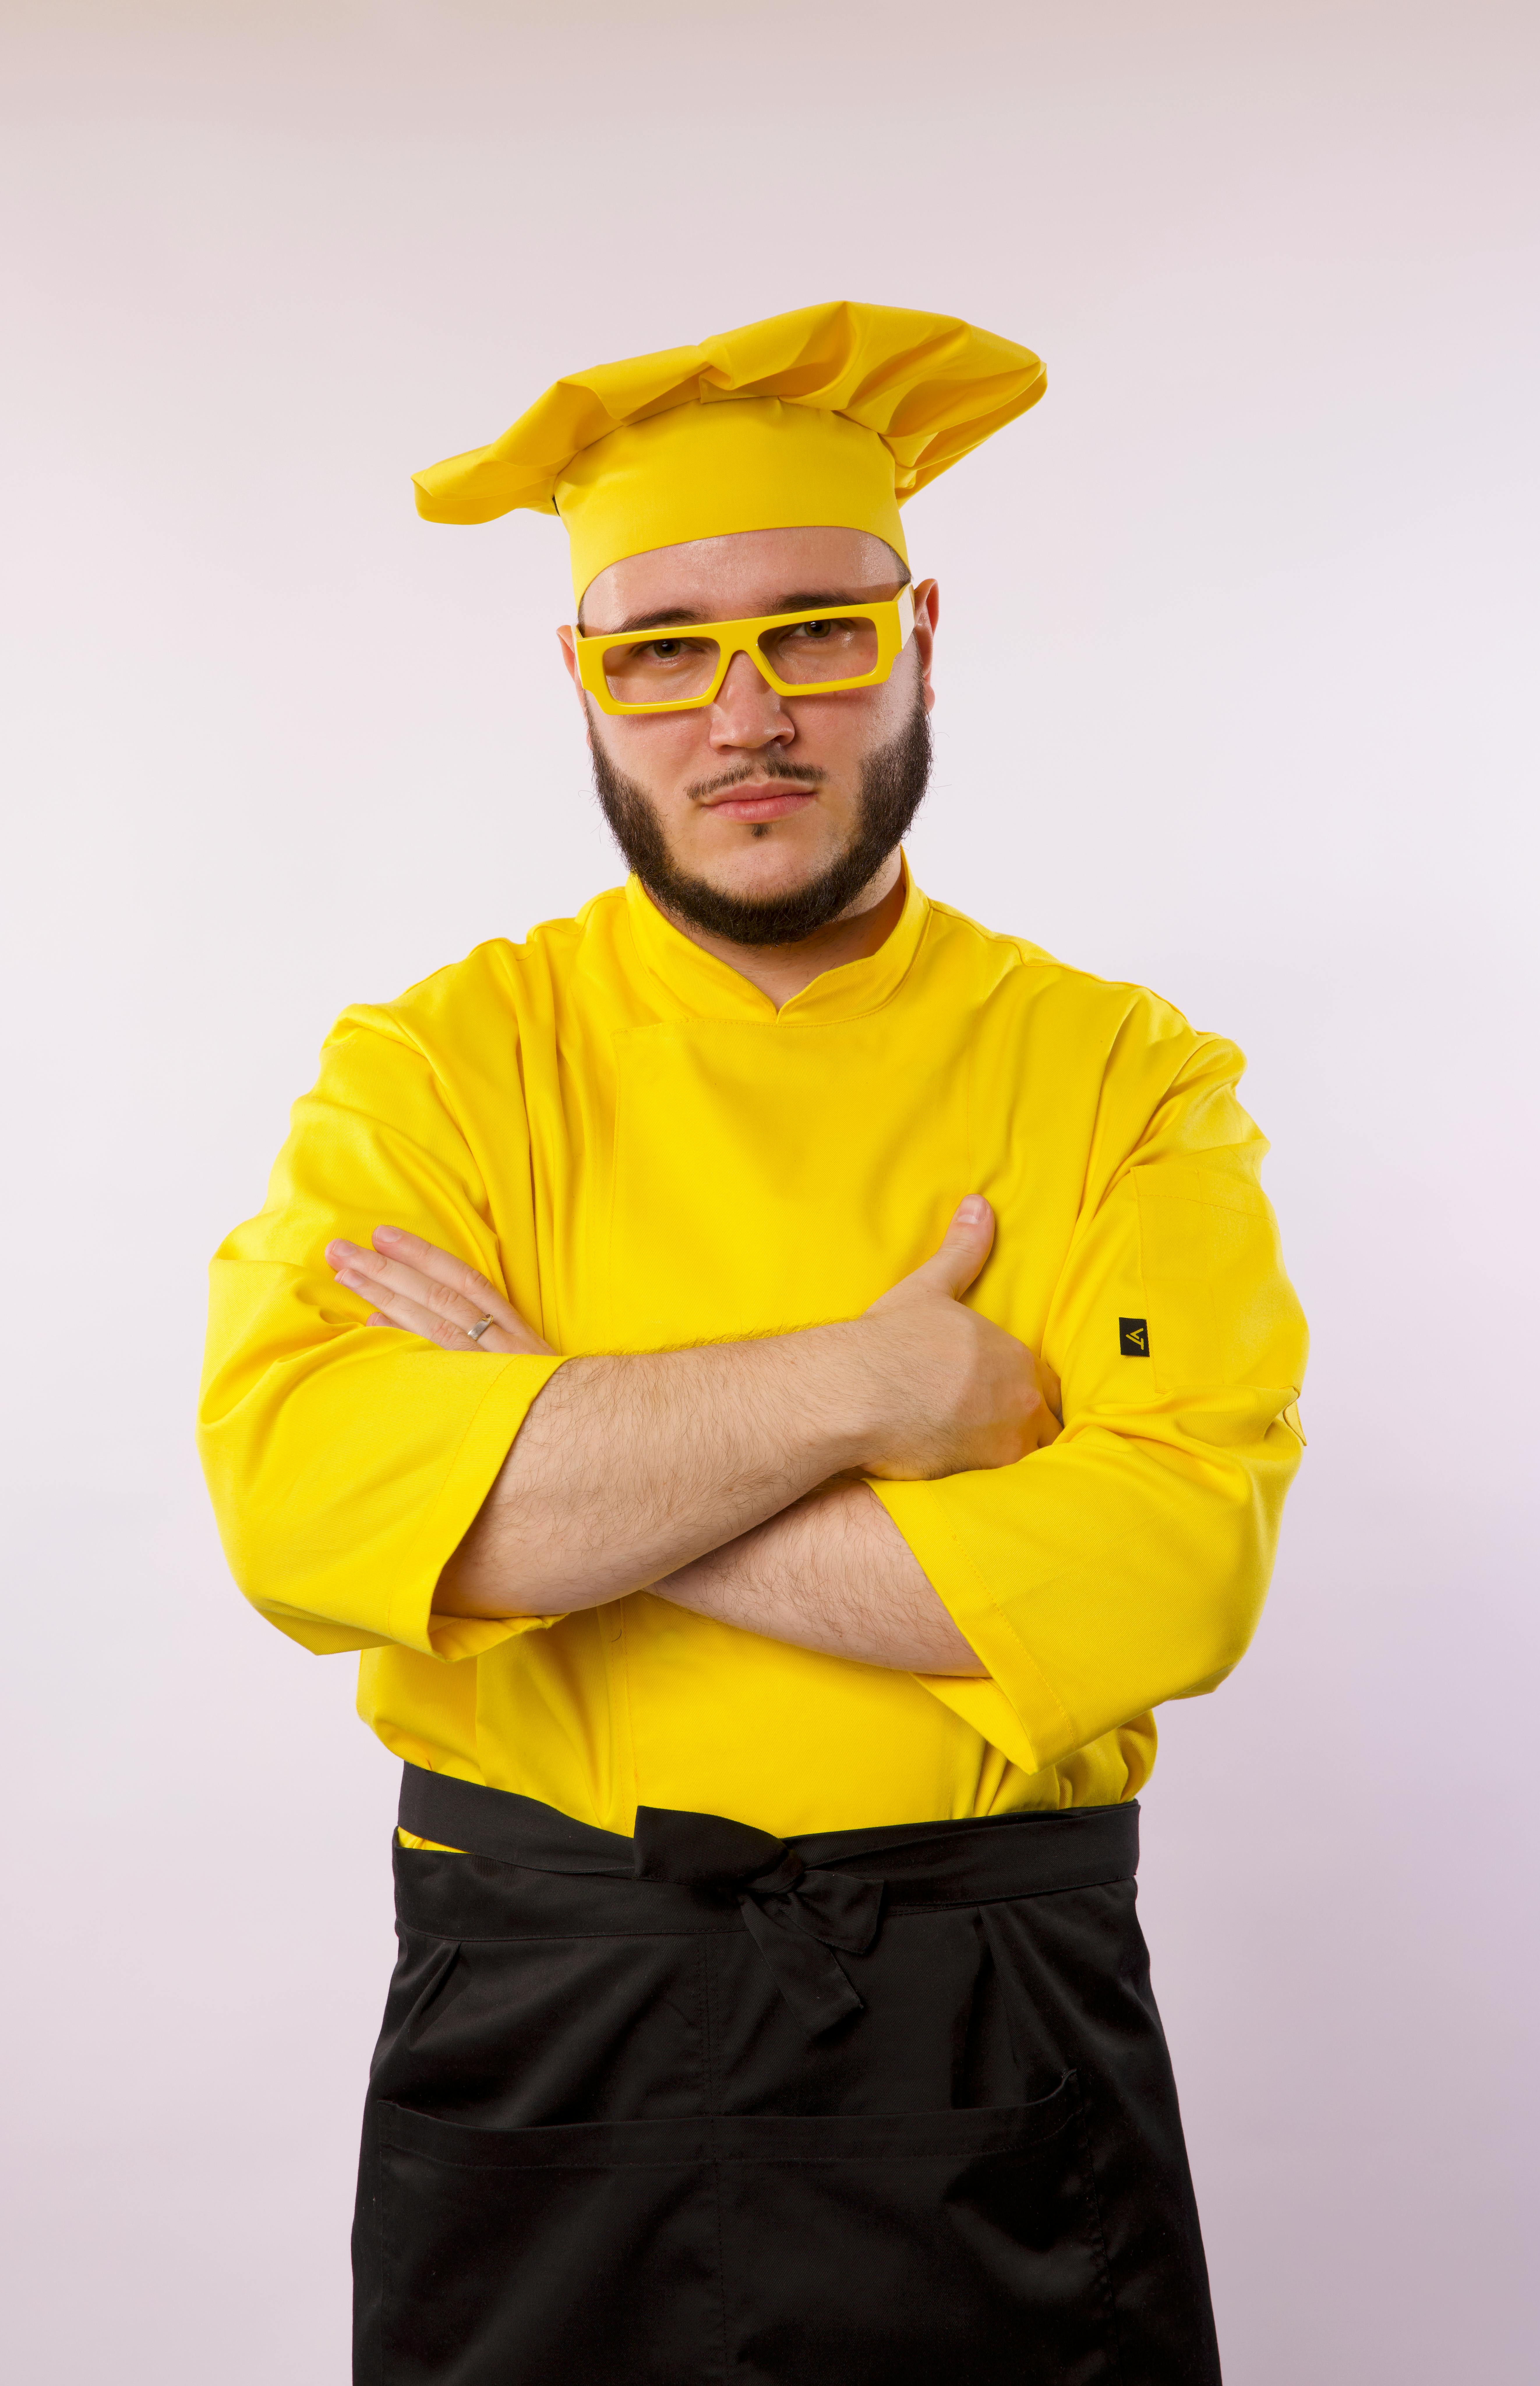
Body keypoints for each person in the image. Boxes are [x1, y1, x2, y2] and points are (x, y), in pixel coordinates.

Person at [199, 300, 1308, 2385]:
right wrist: (867, 1390)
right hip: (546, 2008)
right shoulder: (438, 1071)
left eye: (816, 631)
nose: (746, 716)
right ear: (582, 685)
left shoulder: (1123, 1079)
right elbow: (300, 1508)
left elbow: (1165, 1571)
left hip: (998, 2010)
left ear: (916, 632)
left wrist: (535, 1450)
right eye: (663, 649)